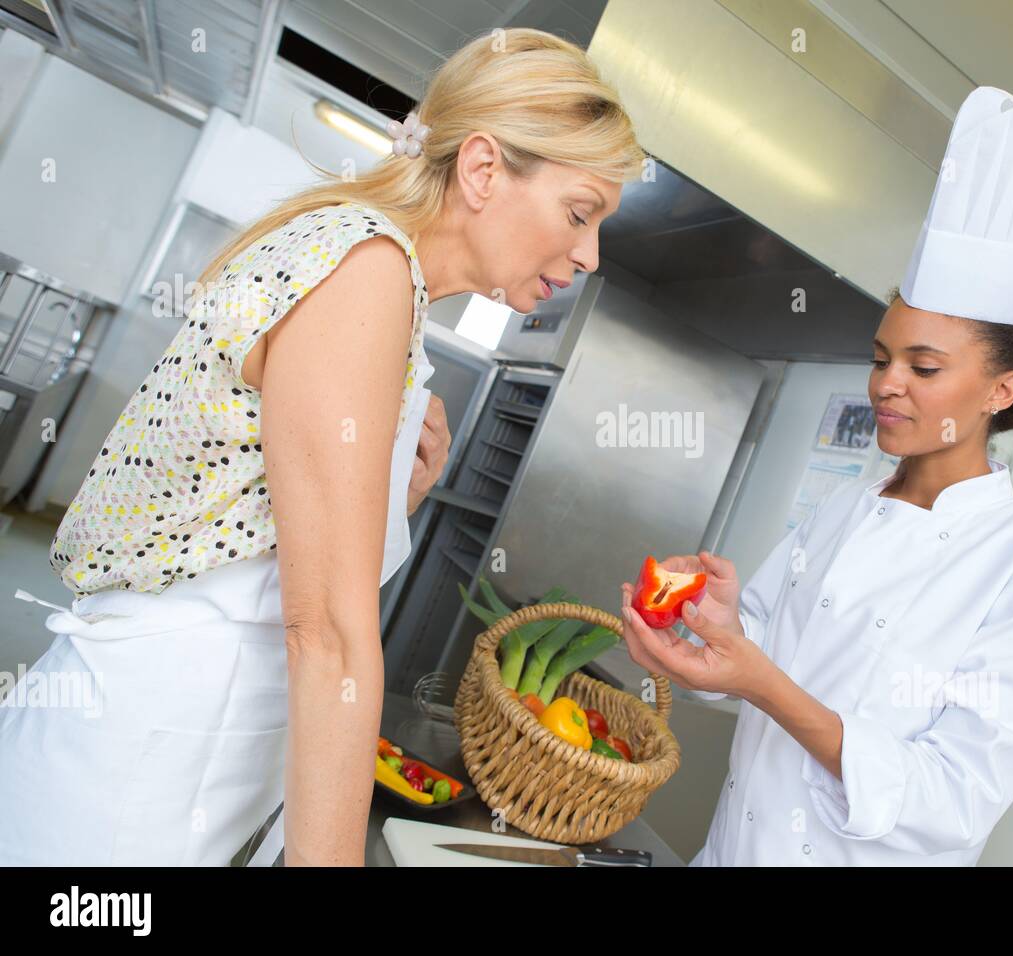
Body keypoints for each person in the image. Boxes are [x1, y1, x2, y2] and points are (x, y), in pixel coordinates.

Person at [1, 27, 642, 866]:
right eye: (580, 213)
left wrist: (391, 497)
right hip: (145, 757)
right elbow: (329, 632)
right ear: (483, 170)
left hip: (198, 739)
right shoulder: (365, 270)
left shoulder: (379, 274)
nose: (589, 255)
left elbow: (260, 531)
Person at [619, 86, 1013, 865]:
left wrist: (764, 681)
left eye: (924, 366)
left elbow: (949, 803)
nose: (886, 384)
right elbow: (748, 666)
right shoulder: (846, 505)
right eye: (880, 358)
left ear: (1000, 392)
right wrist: (711, 626)